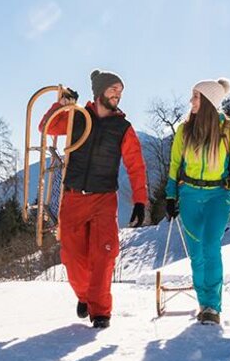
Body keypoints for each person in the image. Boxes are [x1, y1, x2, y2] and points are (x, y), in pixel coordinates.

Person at [39, 69, 148, 329]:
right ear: (100, 91)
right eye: (113, 88)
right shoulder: (78, 117)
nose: (118, 94)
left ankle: (101, 313)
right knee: (73, 259)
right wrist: (62, 105)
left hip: (104, 200)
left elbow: (136, 165)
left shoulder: (123, 127)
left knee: (104, 256)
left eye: (120, 90)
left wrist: (140, 200)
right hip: (74, 198)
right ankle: (85, 296)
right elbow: (46, 127)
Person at [164, 78, 230, 326]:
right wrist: (170, 196)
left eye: (196, 96)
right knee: (196, 254)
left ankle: (212, 306)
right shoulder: (184, 130)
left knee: (211, 247)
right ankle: (203, 303)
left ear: (209, 101)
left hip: (218, 196)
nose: (191, 101)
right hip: (189, 196)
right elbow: (174, 165)